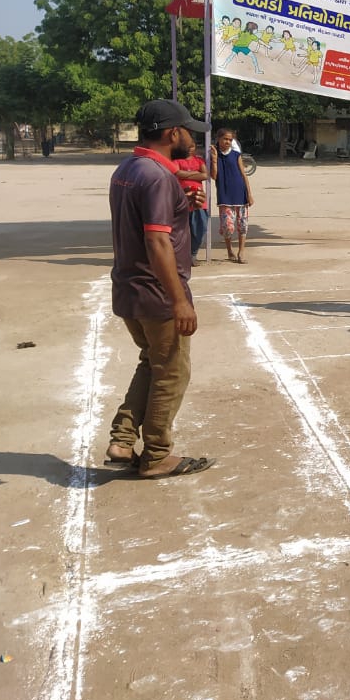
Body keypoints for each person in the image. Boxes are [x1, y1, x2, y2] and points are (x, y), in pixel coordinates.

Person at [104, 99, 214, 479]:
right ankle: (156, 455)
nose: (190, 138)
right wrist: (179, 301)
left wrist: (183, 204)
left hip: (130, 289)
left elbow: (146, 222)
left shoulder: (129, 168)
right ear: (172, 134)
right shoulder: (156, 176)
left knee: (152, 363)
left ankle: (122, 439)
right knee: (172, 372)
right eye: (187, 131)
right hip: (157, 293)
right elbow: (156, 242)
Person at [211, 128, 253, 263]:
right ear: (218, 139)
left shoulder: (236, 155)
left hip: (240, 194)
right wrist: (214, 160)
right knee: (228, 227)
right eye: (225, 139)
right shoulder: (213, 154)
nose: (228, 142)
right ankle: (229, 251)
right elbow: (214, 176)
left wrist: (249, 194)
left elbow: (243, 175)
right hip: (225, 196)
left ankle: (241, 252)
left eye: (230, 139)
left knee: (243, 225)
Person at [175, 141, 209, 267]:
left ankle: (193, 254)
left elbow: (205, 175)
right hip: (182, 200)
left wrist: (186, 175)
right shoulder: (177, 160)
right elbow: (177, 173)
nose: (189, 149)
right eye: (186, 146)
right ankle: (182, 256)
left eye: (192, 146)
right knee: (182, 230)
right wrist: (195, 174)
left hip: (199, 201)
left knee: (200, 227)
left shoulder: (199, 161)